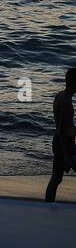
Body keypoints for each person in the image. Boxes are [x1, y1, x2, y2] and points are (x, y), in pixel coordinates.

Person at [45, 68, 76, 202]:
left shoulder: (60, 95)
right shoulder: (66, 102)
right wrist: (67, 156)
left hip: (60, 142)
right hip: (65, 144)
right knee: (56, 177)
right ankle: (48, 202)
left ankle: (48, 203)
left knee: (56, 177)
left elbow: (63, 124)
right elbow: (62, 130)